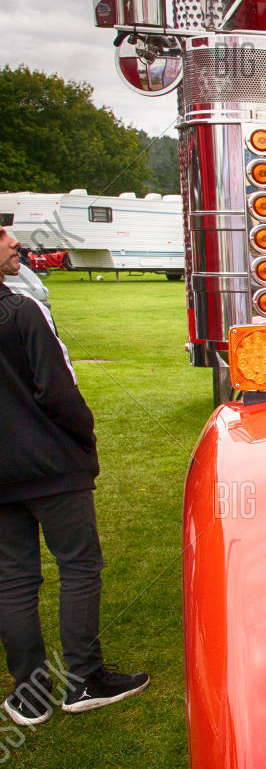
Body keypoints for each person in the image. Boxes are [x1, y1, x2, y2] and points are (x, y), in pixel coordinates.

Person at [0, 227, 147, 725]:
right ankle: (84, 679)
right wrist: (83, 437)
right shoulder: (21, 312)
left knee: (14, 579)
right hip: (50, 466)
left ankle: (30, 693)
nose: (13, 240)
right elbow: (57, 392)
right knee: (79, 567)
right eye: (1, 234)